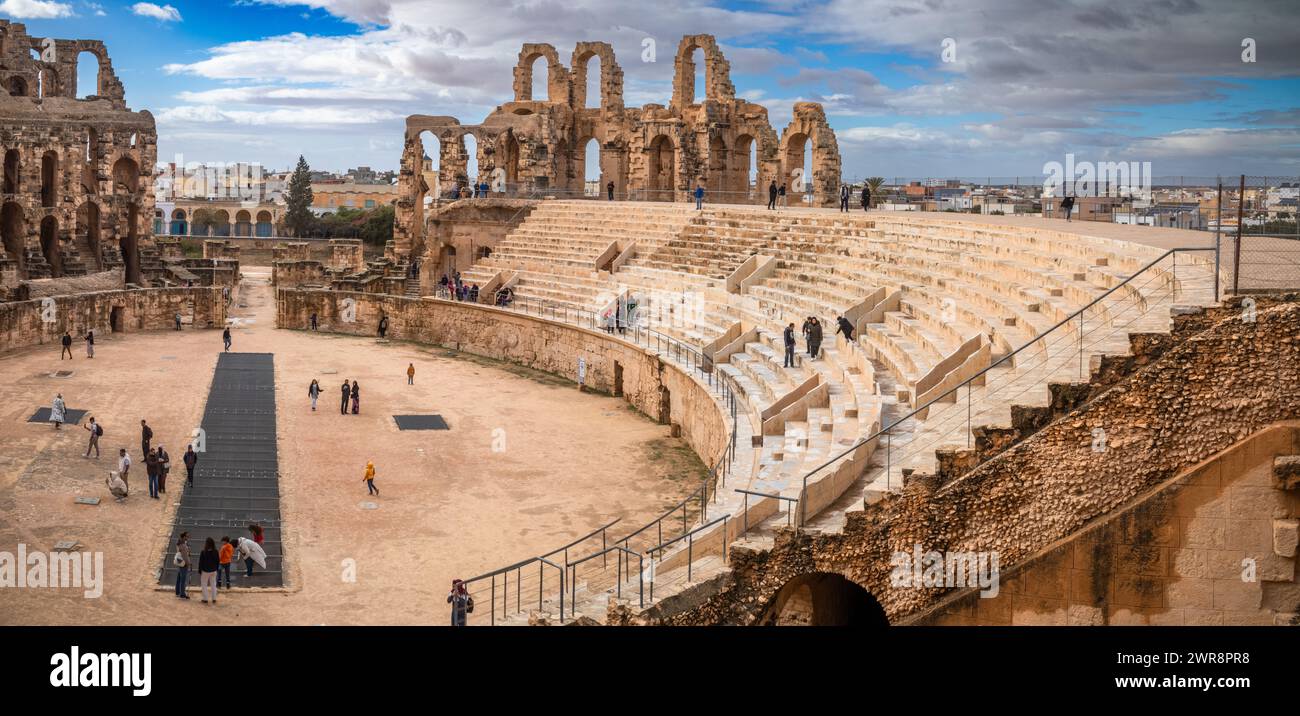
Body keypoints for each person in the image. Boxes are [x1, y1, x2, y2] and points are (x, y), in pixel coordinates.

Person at [198, 538, 220, 604]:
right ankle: (214, 599)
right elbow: (218, 561)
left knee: (204, 585)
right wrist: (216, 568)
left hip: (205, 571)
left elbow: (200, 562)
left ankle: (205, 599)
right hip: (213, 570)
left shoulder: (203, 552)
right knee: (213, 584)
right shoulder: (216, 551)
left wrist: (200, 570)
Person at [174, 532, 191, 599]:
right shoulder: (183, 545)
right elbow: (185, 556)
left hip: (179, 561)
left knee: (179, 577)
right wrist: (188, 563)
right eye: (187, 536)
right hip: (183, 563)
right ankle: (182, 594)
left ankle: (177, 592)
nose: (188, 538)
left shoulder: (179, 543)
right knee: (183, 579)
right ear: (184, 537)